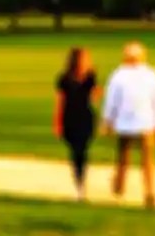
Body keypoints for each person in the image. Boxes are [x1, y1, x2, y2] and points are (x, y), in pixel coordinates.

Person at [101, 41, 155, 209]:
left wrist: (108, 120)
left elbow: (111, 101)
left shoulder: (118, 75)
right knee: (147, 159)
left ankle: (120, 186)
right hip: (146, 123)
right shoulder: (151, 74)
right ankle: (149, 191)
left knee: (123, 157)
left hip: (125, 123)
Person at [55, 47, 99, 201]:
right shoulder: (64, 79)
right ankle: (79, 181)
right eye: (84, 58)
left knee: (83, 150)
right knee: (76, 152)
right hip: (70, 118)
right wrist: (58, 122)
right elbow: (60, 101)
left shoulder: (90, 77)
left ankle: (81, 182)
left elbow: (94, 97)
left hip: (86, 118)